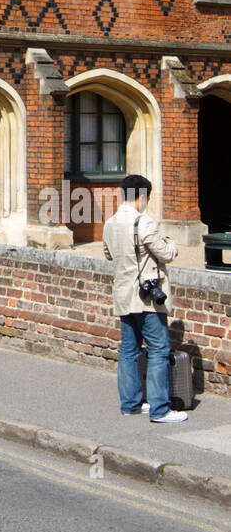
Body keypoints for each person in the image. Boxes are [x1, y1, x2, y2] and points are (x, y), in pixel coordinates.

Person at [102, 173, 187, 424]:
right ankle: (160, 409)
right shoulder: (144, 223)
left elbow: (109, 255)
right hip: (147, 299)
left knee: (129, 351)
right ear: (141, 197)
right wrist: (171, 244)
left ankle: (131, 405)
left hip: (124, 296)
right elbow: (166, 254)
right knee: (159, 350)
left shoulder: (110, 223)